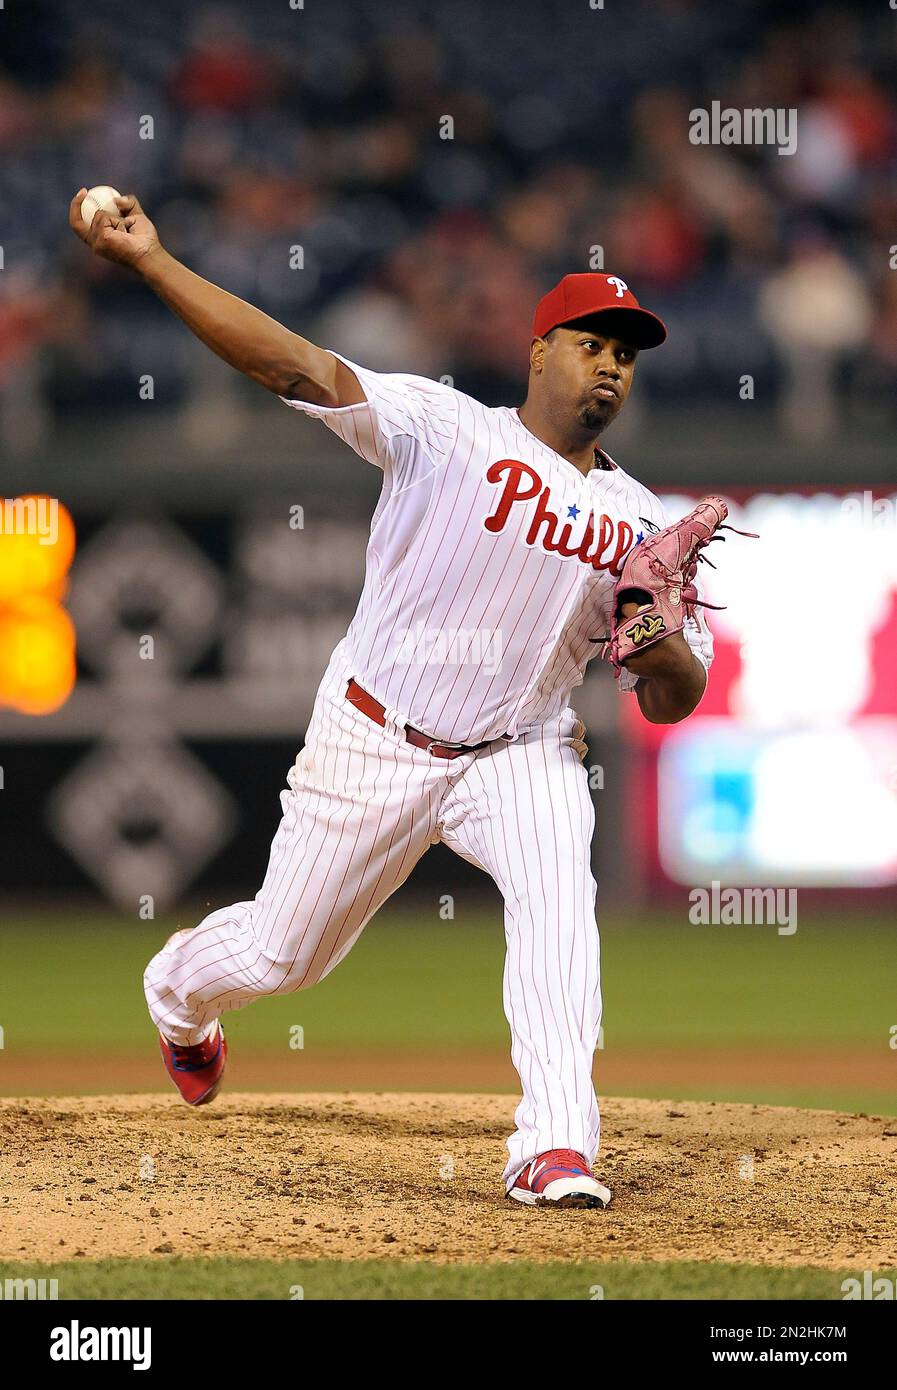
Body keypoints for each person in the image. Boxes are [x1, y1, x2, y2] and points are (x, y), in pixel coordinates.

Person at [70, 189, 712, 1209]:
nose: (611, 366)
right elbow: (298, 366)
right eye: (592, 343)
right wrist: (151, 262)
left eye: (627, 355)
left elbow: (675, 699)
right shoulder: (447, 429)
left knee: (560, 901)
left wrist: (652, 629)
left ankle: (555, 1143)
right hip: (373, 737)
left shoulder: (639, 521)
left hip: (519, 749)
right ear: (540, 349)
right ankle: (178, 994)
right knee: (285, 954)